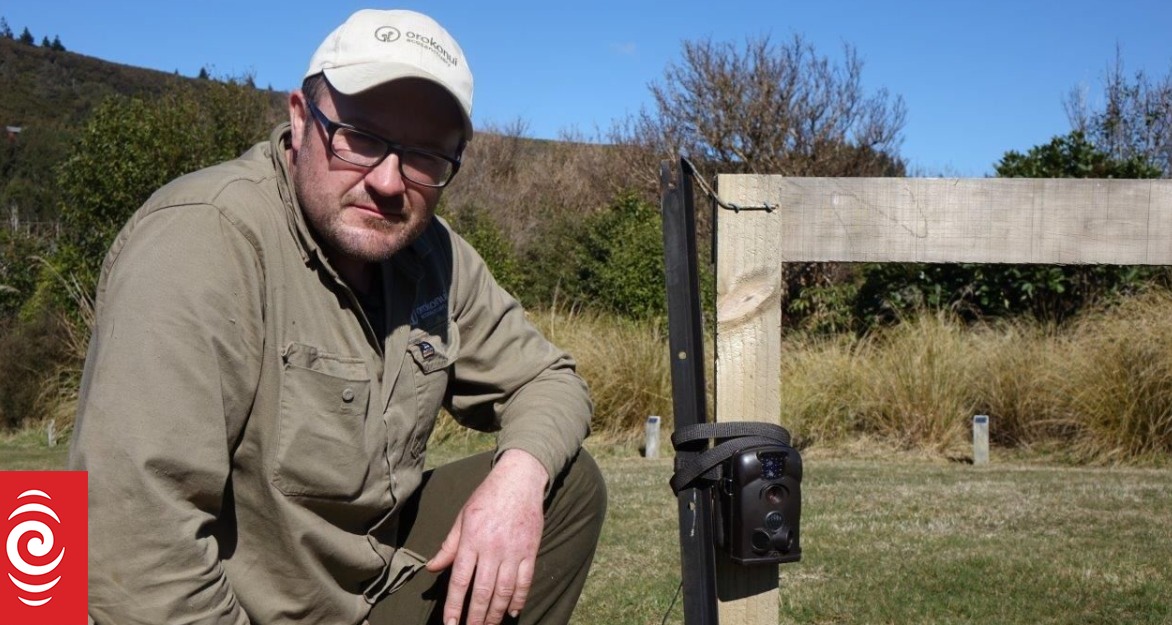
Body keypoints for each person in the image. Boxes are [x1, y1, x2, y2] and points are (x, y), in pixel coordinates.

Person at [68, 8, 606, 625]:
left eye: (425, 156)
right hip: (225, 606)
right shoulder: (201, 238)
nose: (387, 181)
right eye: (362, 137)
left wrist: (518, 481)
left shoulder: (434, 254)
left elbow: (551, 379)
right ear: (300, 119)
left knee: (566, 485)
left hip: (369, 587)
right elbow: (130, 541)